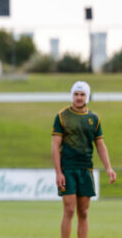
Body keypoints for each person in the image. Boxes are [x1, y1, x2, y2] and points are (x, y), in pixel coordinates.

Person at [52, 81, 116, 238]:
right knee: (69, 210)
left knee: (84, 212)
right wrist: (58, 172)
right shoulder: (62, 116)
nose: (79, 97)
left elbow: (100, 145)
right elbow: (55, 146)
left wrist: (108, 167)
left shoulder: (94, 118)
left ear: (87, 97)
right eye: (76, 94)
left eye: (82, 94)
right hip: (68, 168)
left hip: (86, 169)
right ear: (72, 96)